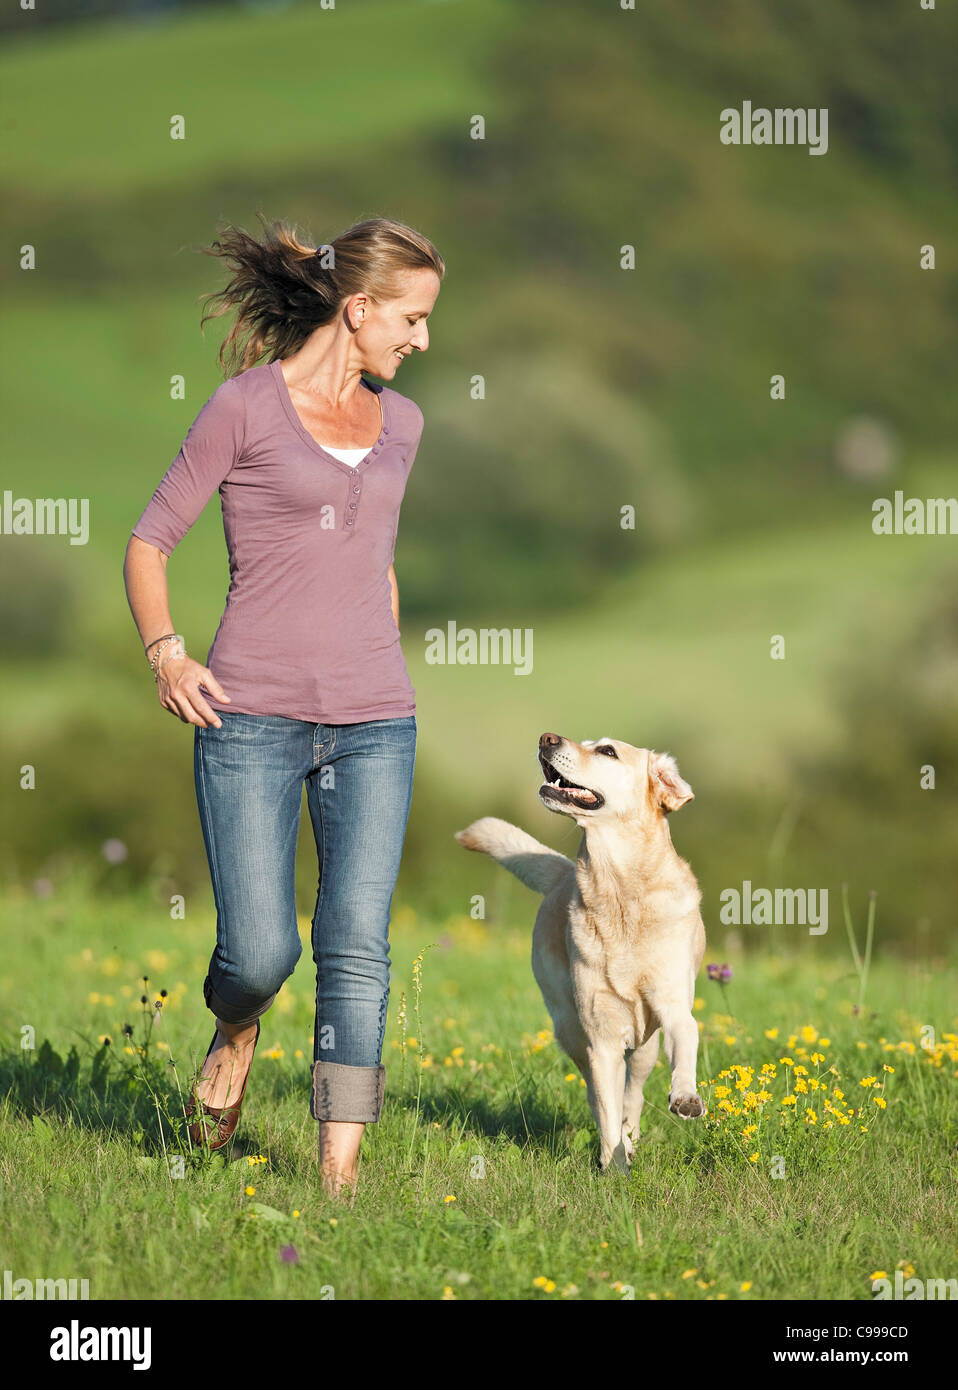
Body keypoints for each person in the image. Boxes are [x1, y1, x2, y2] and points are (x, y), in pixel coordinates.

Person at [123, 215, 443, 1198]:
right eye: (413, 319)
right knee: (259, 952)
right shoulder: (243, 409)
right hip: (249, 718)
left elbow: (372, 562)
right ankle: (236, 1024)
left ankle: (339, 1185)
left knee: (358, 946)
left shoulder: (405, 424)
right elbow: (149, 541)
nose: (422, 340)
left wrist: (384, 665)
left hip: (376, 722)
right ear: (358, 310)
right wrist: (168, 654)